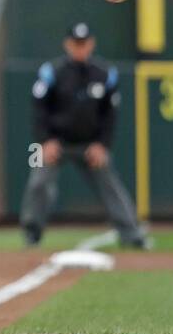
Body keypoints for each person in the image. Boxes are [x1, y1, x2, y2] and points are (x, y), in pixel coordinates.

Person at [20, 23, 147, 248]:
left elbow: (111, 115)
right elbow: (39, 109)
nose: (80, 48)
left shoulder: (105, 74)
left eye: (84, 44)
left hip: (90, 145)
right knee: (39, 184)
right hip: (57, 143)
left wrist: (102, 144)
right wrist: (45, 141)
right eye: (76, 44)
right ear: (67, 44)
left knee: (111, 186)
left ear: (91, 44)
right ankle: (32, 234)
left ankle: (132, 234)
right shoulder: (53, 72)